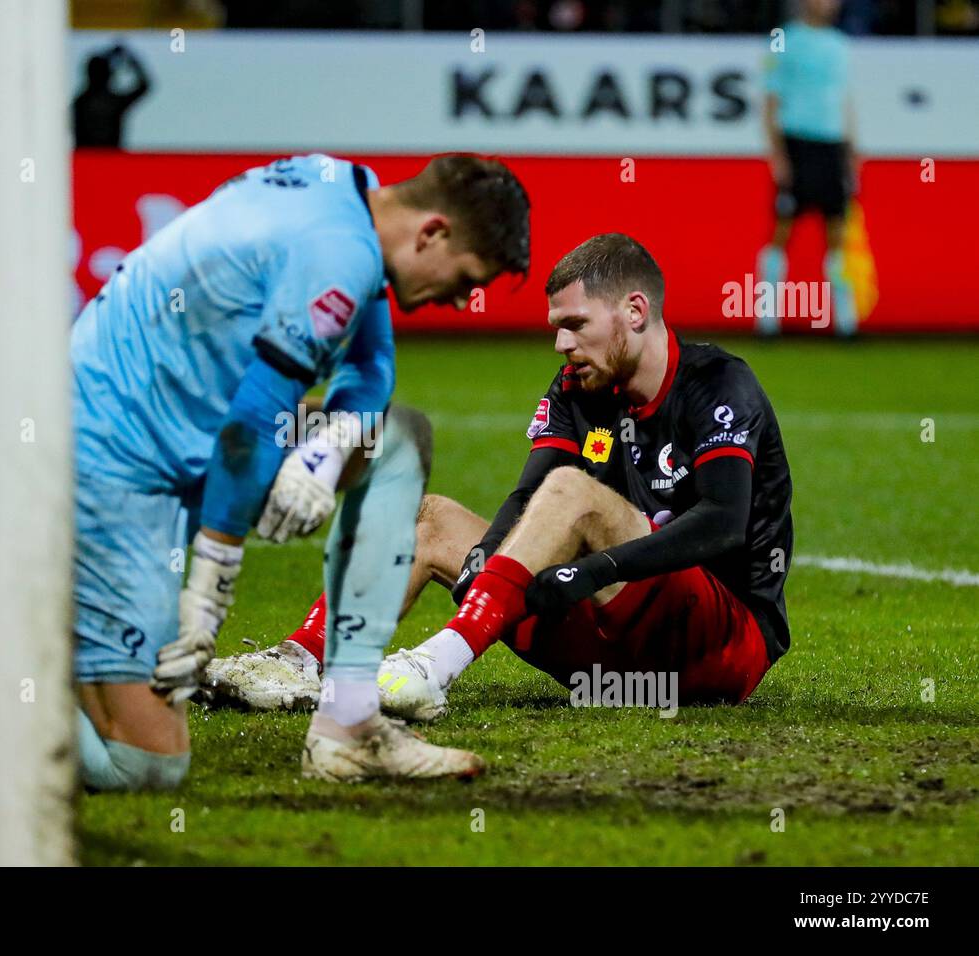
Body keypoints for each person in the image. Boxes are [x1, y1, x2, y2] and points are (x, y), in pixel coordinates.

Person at [0, 153, 531, 789]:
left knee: (394, 441)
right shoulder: (338, 246)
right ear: (432, 233)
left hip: (183, 433)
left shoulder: (349, 194)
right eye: (464, 281)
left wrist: (327, 446)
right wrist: (211, 585)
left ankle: (348, 724)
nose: (452, 299)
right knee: (145, 763)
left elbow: (371, 365)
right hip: (106, 462)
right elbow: (255, 419)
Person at [208, 233, 793, 724]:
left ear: (635, 312)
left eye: (575, 324)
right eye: (556, 327)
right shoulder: (577, 389)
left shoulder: (718, 384)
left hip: (720, 647)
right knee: (432, 517)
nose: (562, 343)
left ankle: (434, 665)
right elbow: (525, 493)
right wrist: (486, 552)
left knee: (570, 489)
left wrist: (594, 569)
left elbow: (724, 523)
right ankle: (297, 661)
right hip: (611, 655)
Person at [756, 0, 859, 337]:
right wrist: (778, 154)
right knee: (782, 231)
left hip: (831, 146)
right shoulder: (782, 38)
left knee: (837, 234)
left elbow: (844, 100)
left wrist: (851, 151)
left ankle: (846, 324)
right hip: (796, 143)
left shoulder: (840, 44)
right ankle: (767, 320)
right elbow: (770, 99)